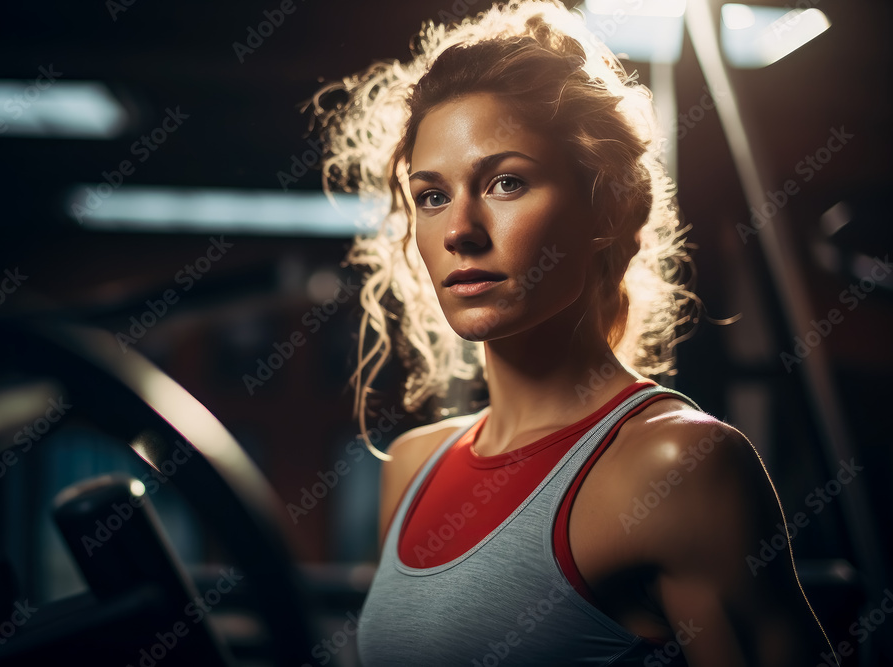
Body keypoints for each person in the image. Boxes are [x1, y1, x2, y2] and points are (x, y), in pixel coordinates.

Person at [312, 2, 836, 664]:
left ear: (604, 207)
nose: (459, 231)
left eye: (505, 182)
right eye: (432, 195)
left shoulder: (677, 468)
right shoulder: (413, 467)